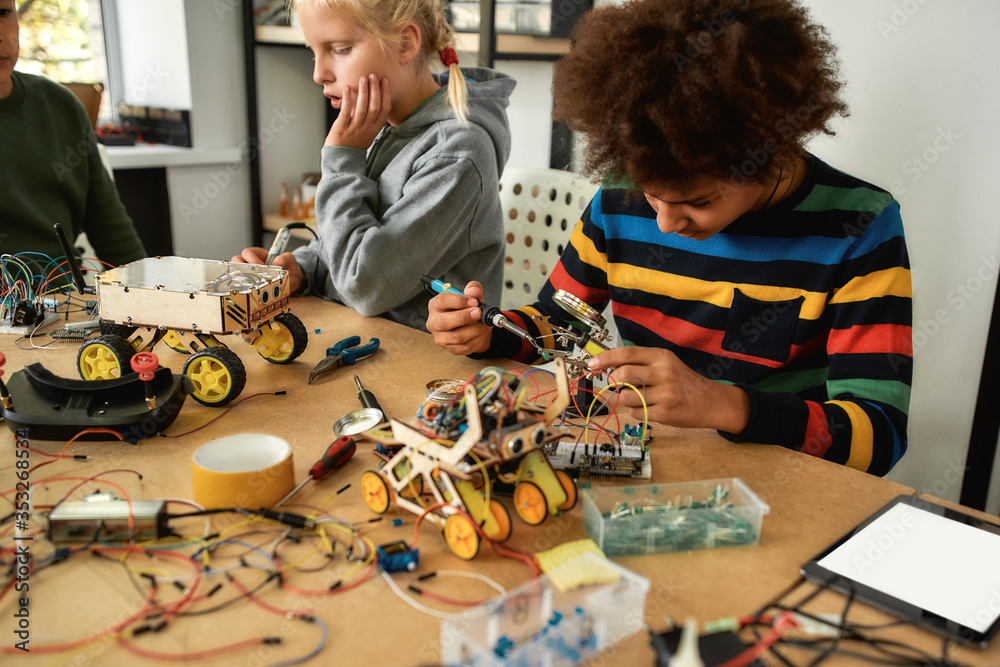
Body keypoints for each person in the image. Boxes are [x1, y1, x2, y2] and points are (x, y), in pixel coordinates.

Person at [426, 0, 912, 476]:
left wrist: (724, 405)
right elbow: (560, 322)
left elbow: (881, 434)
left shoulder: (859, 227)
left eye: (698, 202)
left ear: (769, 153)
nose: (663, 223)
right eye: (651, 194)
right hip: (646, 463)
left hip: (782, 486)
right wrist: (490, 330)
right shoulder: (618, 197)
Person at [232, 0, 514, 331]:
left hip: (419, 356)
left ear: (405, 43)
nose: (318, 73)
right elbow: (353, 235)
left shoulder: (456, 153)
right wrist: (304, 268)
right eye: (313, 52)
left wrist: (341, 160)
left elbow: (364, 285)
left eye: (339, 49)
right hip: (365, 336)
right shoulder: (384, 123)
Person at [0, 0, 146, 269]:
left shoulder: (59, 105)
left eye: (3, 13)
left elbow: (112, 232)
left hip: (64, 291)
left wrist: (146, 289)